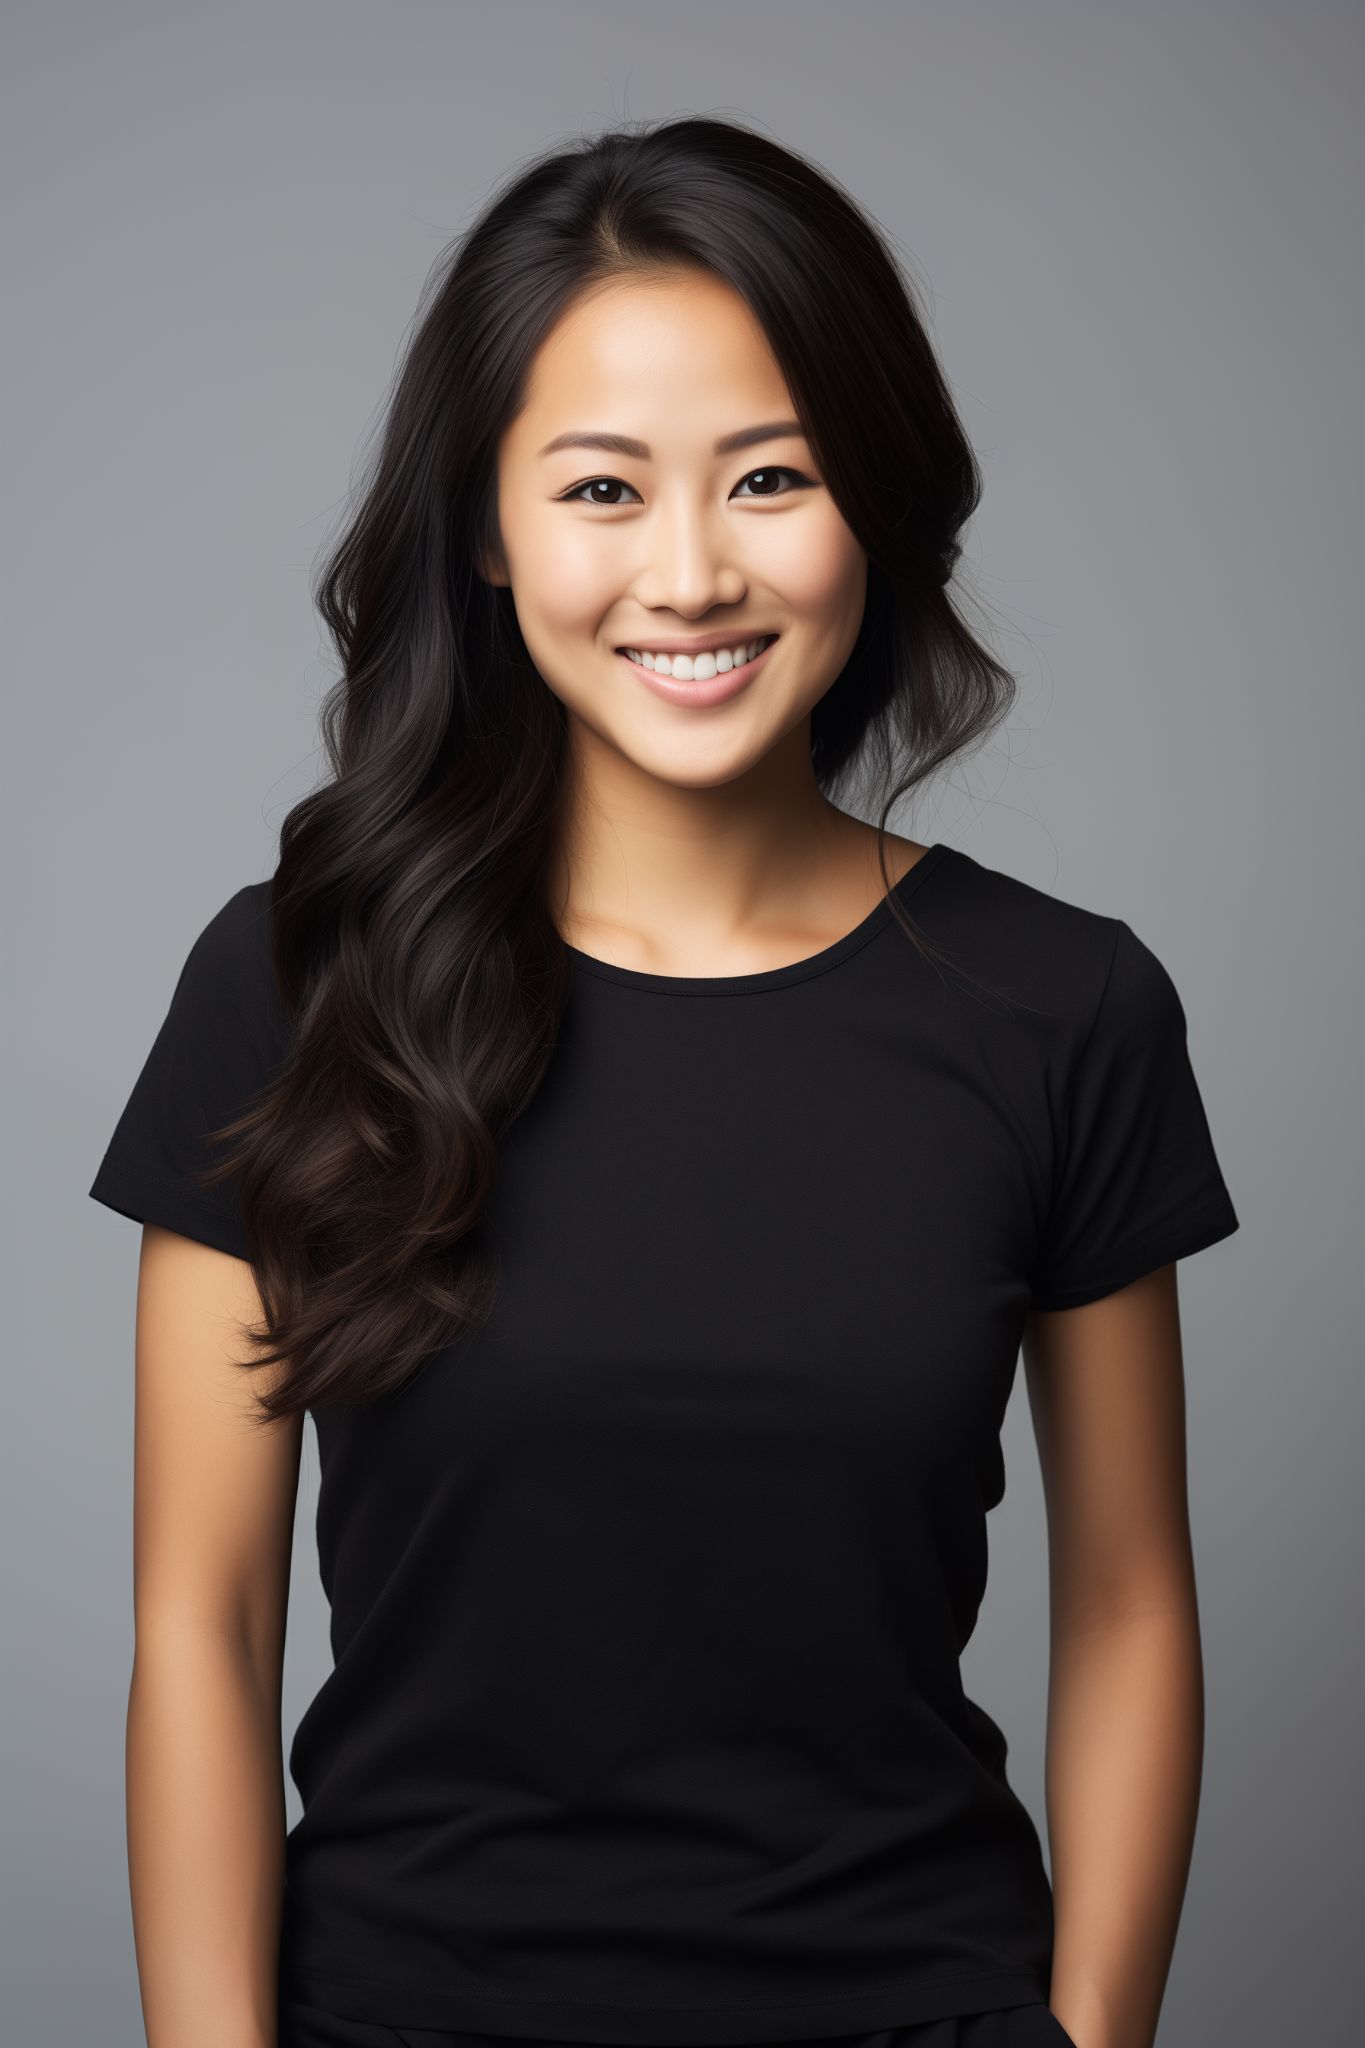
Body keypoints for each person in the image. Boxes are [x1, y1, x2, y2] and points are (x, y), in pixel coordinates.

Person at [88, 118, 1239, 2048]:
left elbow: (1128, 1605)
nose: (691, 572)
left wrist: (1093, 2034)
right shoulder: (298, 981)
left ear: (871, 501)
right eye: (603, 488)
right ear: (490, 528)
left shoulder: (1066, 1008)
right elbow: (197, 1629)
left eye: (770, 477)